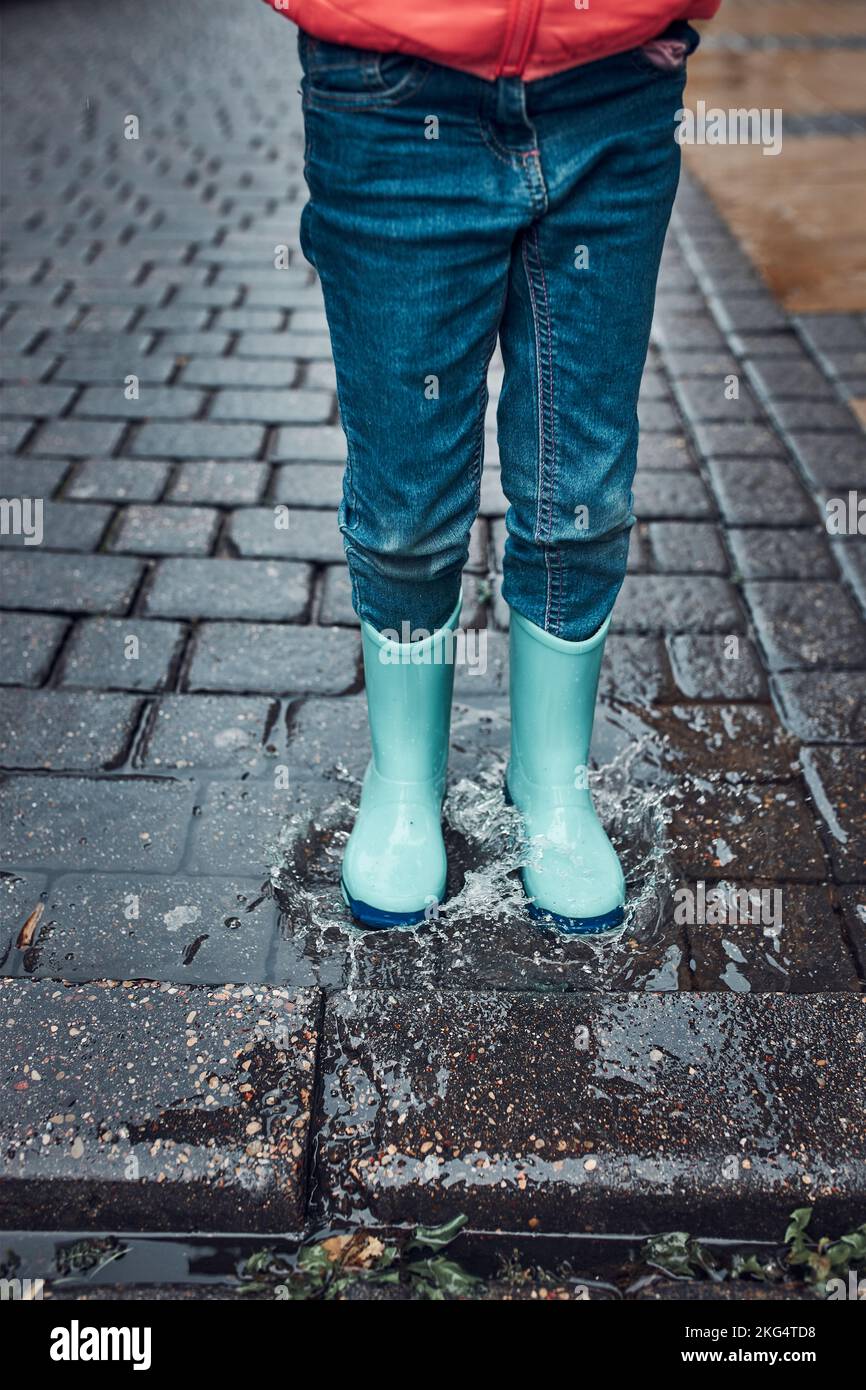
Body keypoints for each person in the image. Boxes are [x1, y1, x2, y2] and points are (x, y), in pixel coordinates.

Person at [261, 0, 720, 933]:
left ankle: (550, 779)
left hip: (615, 81)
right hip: (389, 86)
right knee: (404, 500)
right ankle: (403, 782)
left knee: (581, 485)